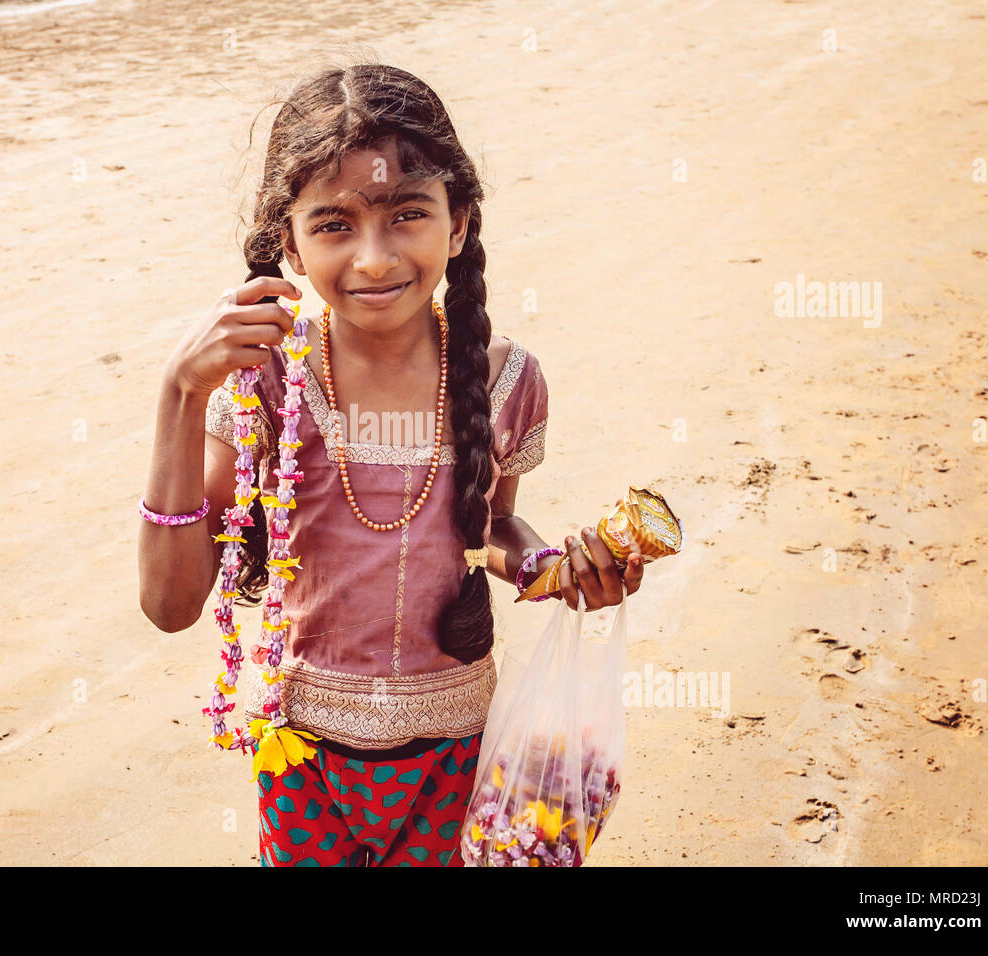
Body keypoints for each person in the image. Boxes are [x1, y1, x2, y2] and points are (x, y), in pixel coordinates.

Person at [138, 63, 645, 866]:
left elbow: (487, 529)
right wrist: (178, 394)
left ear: (458, 223)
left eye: (407, 214)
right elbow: (170, 605)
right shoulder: (267, 383)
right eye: (334, 224)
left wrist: (552, 566)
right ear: (289, 246)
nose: (374, 259)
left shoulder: (503, 378)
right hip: (302, 756)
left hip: (458, 748)